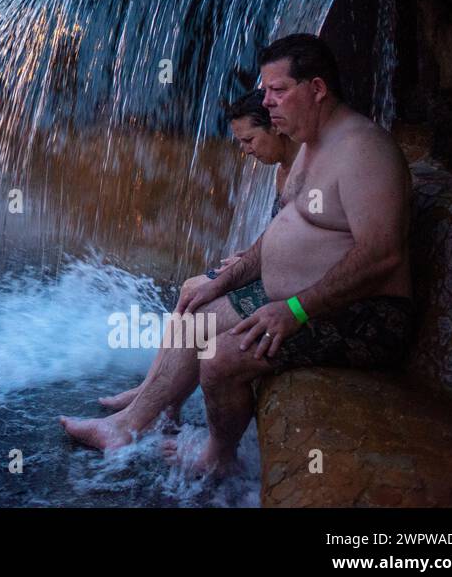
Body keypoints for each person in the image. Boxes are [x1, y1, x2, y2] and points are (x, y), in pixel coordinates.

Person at [61, 34, 413, 478]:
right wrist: (226, 279)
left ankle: (219, 455)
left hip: (366, 315)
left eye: (278, 91)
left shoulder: (363, 150)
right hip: (291, 297)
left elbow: (382, 255)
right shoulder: (307, 145)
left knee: (220, 357)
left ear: (318, 88)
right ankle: (128, 425)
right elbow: (281, 232)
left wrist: (296, 309)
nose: (267, 104)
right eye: (265, 91)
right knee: (196, 311)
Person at [94, 88, 299, 414]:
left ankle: (155, 402)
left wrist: (256, 262)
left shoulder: (305, 169)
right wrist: (250, 254)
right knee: (191, 287)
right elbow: (282, 233)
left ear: (275, 127)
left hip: (292, 288)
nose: (245, 151)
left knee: (197, 310)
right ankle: (153, 389)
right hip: (274, 270)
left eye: (249, 140)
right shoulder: (282, 169)